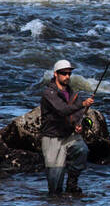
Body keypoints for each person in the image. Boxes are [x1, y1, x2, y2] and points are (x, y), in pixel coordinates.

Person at [40, 59, 93, 196]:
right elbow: (62, 110)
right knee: (54, 188)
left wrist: (78, 125)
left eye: (69, 73)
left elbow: (76, 114)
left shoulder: (72, 93)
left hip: (68, 135)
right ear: (55, 74)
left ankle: (72, 183)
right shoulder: (49, 93)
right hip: (52, 138)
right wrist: (82, 103)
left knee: (82, 150)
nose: (67, 76)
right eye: (63, 73)